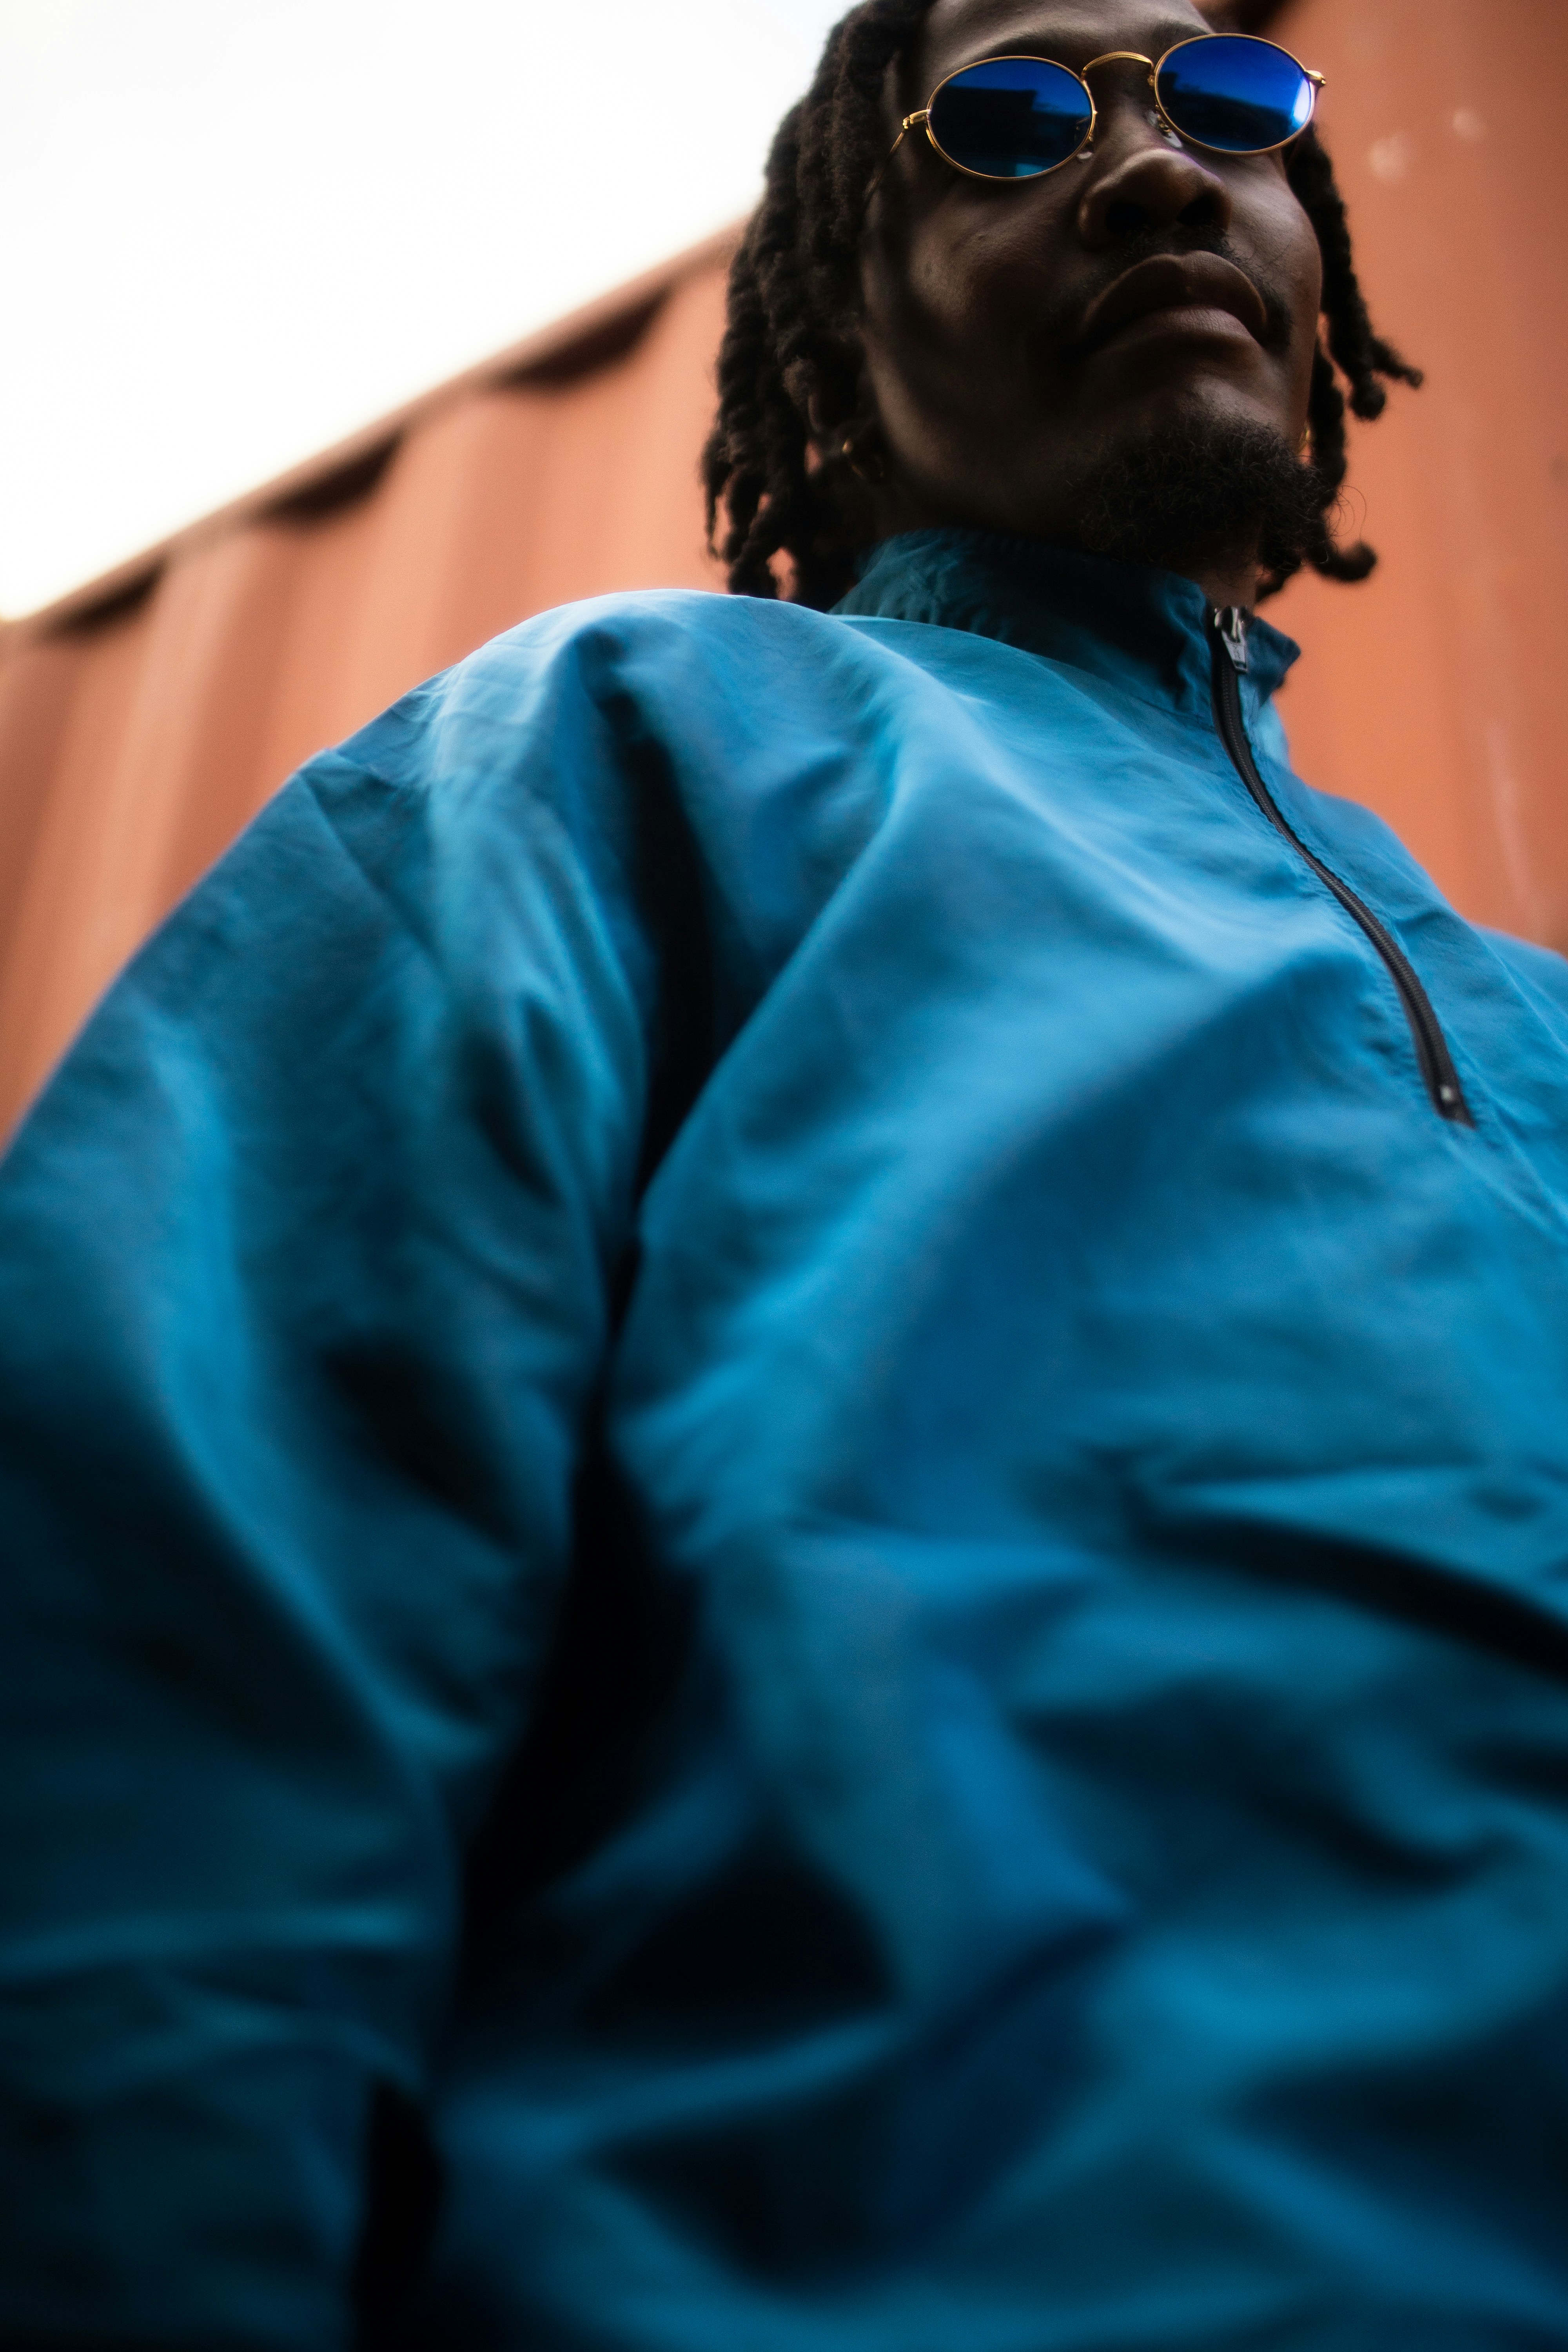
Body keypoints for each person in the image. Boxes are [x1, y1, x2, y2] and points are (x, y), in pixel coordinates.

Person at [3, 0, 1567, 2343]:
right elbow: (162, 1673)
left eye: (1230, 110)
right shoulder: (622, 756)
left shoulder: (1540, 1027)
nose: (1157, 168)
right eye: (1017, 118)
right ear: (828, 367)